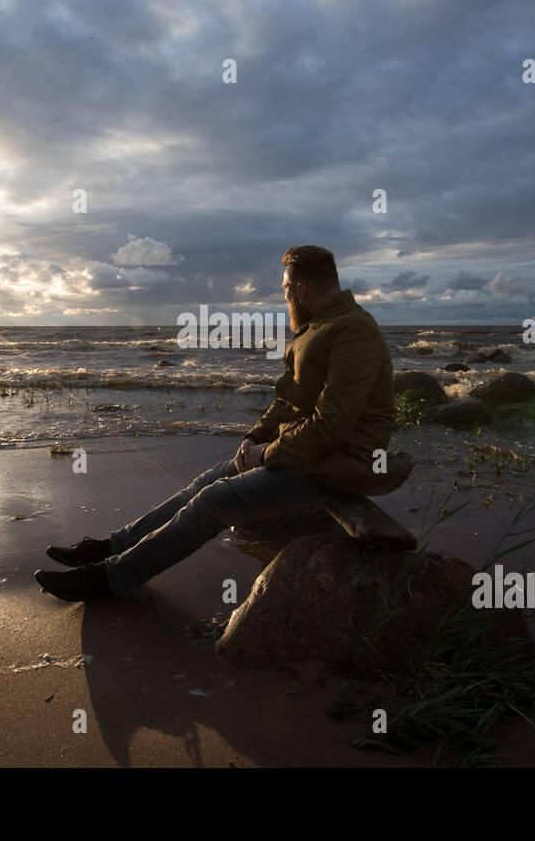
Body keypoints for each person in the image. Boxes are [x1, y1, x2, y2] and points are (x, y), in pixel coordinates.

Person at [33, 245, 413, 601]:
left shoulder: (353, 331)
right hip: (308, 453)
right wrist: (254, 438)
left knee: (213, 502)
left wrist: (267, 453)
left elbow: (332, 424)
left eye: (285, 290)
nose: (284, 298)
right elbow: (289, 400)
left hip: (340, 462)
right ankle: (112, 546)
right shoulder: (320, 327)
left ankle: (111, 578)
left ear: (300, 289)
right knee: (204, 483)